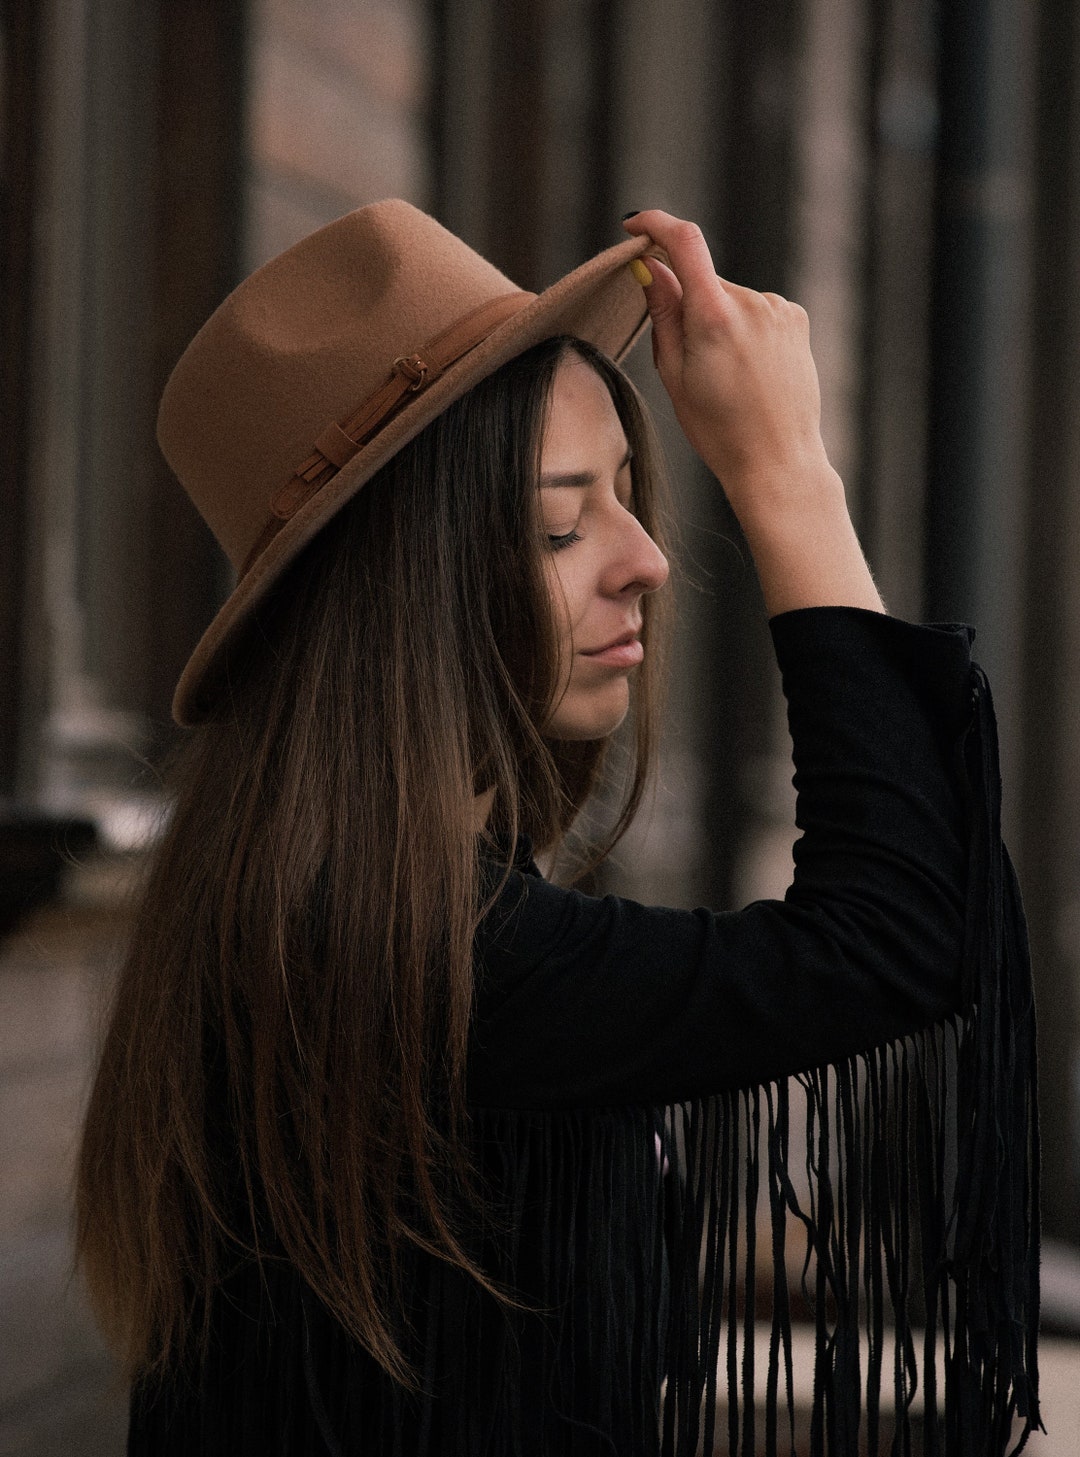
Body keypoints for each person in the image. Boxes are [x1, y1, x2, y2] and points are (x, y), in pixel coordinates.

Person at [75, 202, 1039, 1455]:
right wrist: (786, 472)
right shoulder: (406, 955)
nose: (644, 558)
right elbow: (902, 937)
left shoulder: (336, 908)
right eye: (559, 524)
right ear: (405, 592)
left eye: (630, 499)